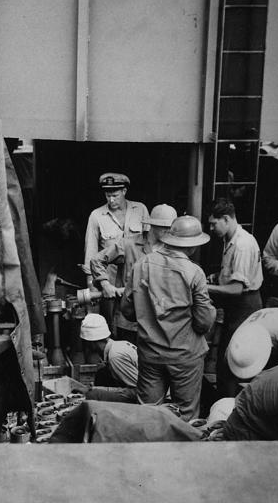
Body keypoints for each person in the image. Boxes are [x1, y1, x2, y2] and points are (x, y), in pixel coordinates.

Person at [122, 215, 217, 420]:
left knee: (148, 414)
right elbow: (204, 323)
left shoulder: (141, 265)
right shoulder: (194, 273)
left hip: (150, 353)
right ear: (192, 246)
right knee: (185, 416)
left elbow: (127, 311)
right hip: (185, 355)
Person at [85, 203, 177, 343]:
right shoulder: (129, 244)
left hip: (158, 321)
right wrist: (105, 284)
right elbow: (97, 260)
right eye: (166, 228)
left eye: (171, 228)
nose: (169, 232)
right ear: (153, 225)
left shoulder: (172, 250)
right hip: (128, 321)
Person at [207, 198, 263, 397]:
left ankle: (229, 408)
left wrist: (206, 287)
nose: (212, 229)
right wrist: (218, 277)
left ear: (226, 219)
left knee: (234, 362)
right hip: (235, 307)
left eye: (214, 224)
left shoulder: (242, 245)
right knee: (226, 361)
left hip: (245, 306)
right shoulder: (228, 239)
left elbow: (236, 289)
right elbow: (232, 275)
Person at [83, 172, 149, 337]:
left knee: (138, 321)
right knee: (111, 324)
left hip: (136, 278)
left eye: (115, 195)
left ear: (124, 191)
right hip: (108, 281)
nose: (111, 200)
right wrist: (93, 286)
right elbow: (91, 254)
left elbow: (150, 243)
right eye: (107, 195)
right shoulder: (96, 216)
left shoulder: (140, 209)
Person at [79, 313, 139, 388]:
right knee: (103, 374)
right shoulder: (120, 344)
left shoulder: (115, 356)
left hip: (147, 395)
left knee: (94, 393)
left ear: (90, 342)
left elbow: (140, 389)